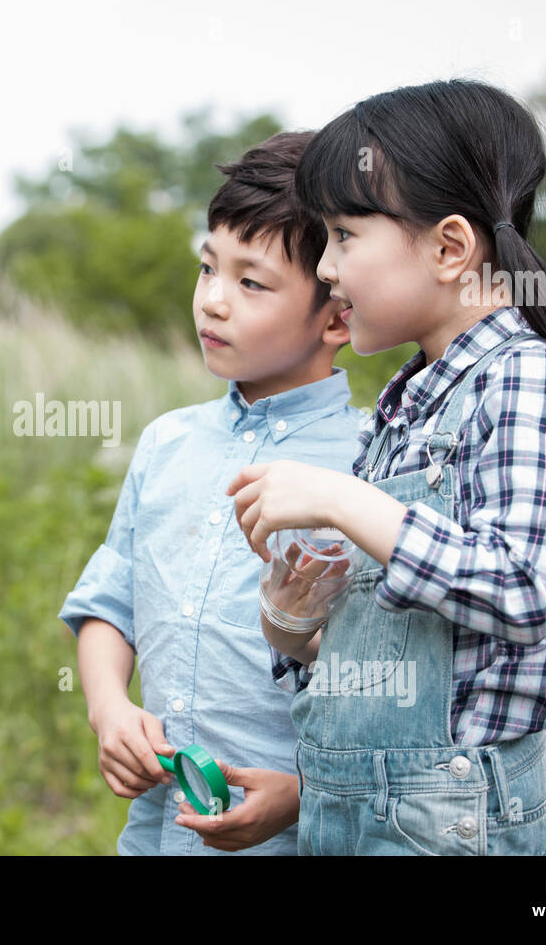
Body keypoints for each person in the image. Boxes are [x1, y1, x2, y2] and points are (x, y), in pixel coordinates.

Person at [228, 79, 546, 855]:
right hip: (349, 806)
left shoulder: (524, 381)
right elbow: (412, 647)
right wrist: (300, 627)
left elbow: (522, 588)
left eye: (342, 236)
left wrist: (339, 499)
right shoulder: (409, 404)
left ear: (449, 248)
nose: (327, 268)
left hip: (448, 815)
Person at [59, 132, 364, 854]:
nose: (213, 302)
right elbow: (111, 602)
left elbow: (394, 679)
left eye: (251, 283)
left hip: (310, 834)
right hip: (159, 830)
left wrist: (301, 791)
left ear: (337, 316)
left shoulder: (371, 465)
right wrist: (108, 710)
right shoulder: (168, 442)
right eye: (207, 269)